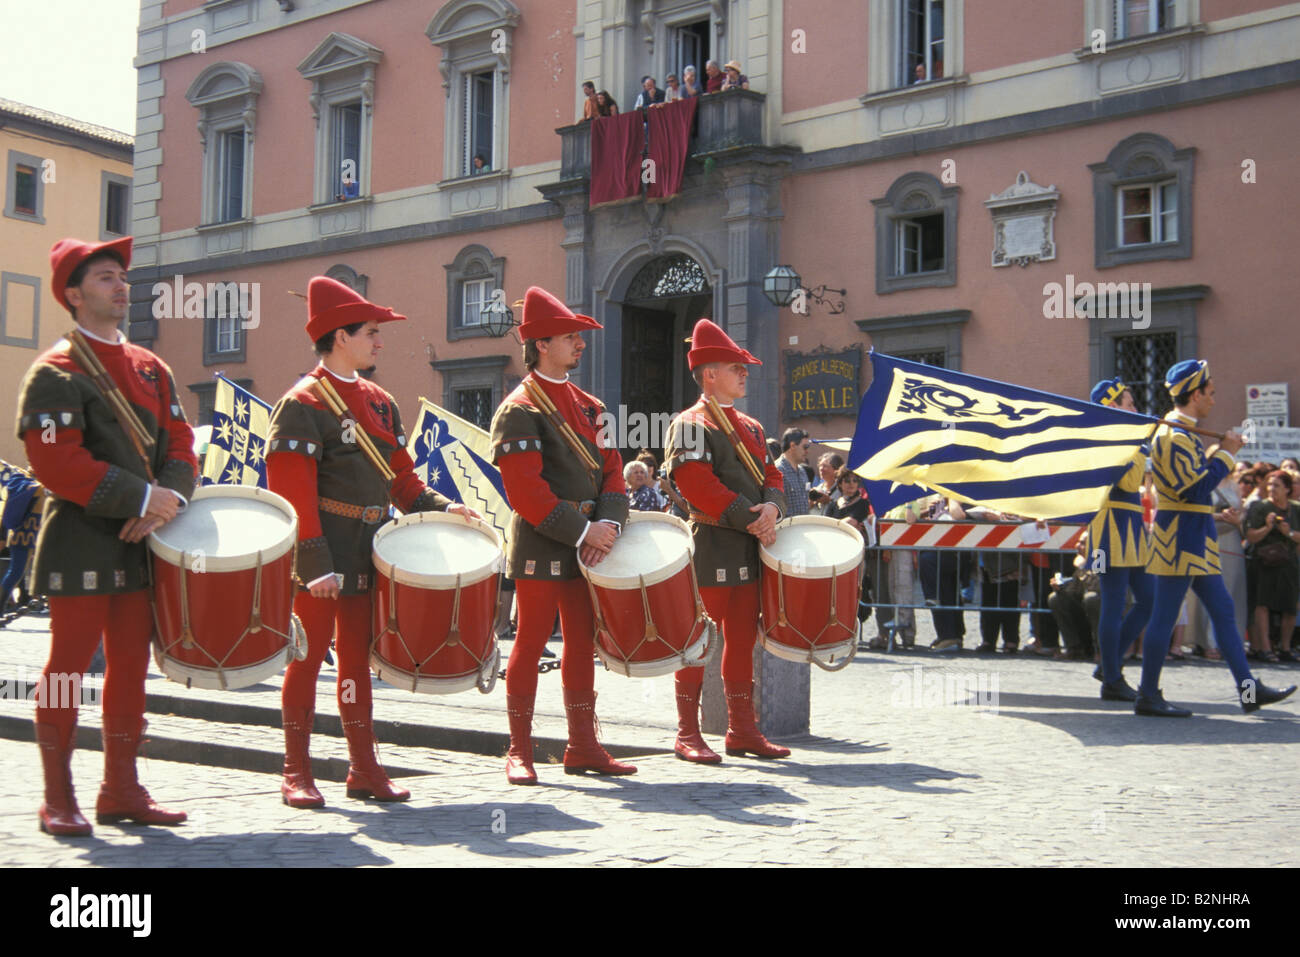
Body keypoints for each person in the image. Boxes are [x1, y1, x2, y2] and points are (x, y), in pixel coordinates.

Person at [266, 277, 479, 808]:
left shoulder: (381, 403)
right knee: (307, 660)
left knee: (358, 664)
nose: (379, 342)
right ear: (339, 336)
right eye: (370, 332)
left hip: (371, 549)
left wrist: (442, 507)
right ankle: (296, 770)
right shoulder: (301, 403)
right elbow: (292, 495)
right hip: (321, 551)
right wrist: (313, 562)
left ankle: (364, 767)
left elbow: (401, 480)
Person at [20, 236, 196, 835]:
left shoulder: (153, 367)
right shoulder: (54, 372)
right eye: (104, 279)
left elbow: (180, 444)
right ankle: (57, 795)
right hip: (80, 538)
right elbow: (56, 462)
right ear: (72, 294)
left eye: (122, 278)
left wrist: (167, 501)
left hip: (144, 539)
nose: (121, 287)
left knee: (129, 667)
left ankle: (121, 788)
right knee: (69, 666)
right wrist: (142, 496)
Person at [490, 287, 633, 784]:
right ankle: (519, 750)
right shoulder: (518, 409)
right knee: (530, 640)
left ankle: (583, 745)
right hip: (544, 538)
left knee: (581, 640)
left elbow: (614, 472)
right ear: (541, 344)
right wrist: (585, 531)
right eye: (571, 336)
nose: (580, 343)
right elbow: (525, 491)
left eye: (579, 336)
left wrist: (610, 523)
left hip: (591, 537)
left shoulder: (593, 406)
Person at [1136, 359, 1295, 716]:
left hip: (1194, 534)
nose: (1213, 399)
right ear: (1194, 394)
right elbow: (1196, 489)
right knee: (1164, 616)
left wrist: (1221, 452)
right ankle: (1147, 694)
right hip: (1180, 537)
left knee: (1222, 611)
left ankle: (1248, 691)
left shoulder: (1183, 433)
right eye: (1209, 393)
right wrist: (1226, 453)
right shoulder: (1174, 436)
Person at [664, 318, 788, 763]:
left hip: (749, 544)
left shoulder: (753, 427)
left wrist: (772, 509)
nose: (745, 373)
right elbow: (696, 485)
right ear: (710, 374)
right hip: (713, 540)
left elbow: (773, 475)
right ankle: (686, 733)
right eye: (736, 367)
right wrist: (752, 520)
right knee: (696, 640)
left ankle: (742, 730)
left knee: (742, 638)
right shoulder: (690, 423)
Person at [1086, 380, 1155, 701]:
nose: (1136, 408)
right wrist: (1140, 443)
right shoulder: (1112, 439)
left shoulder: (1121, 438)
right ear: (1114, 407)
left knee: (1148, 600)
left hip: (1129, 524)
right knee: (1114, 604)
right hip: (1110, 527)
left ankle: (1109, 663)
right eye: (1130, 403)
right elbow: (1130, 480)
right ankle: (1111, 676)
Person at [1244, 470, 1300, 661]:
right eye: (1269, 485)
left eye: (1276, 485)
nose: (1271, 489)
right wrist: (1267, 528)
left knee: (1290, 606)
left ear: (1287, 489)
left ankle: (1285, 647)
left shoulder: (1296, 509)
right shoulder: (1260, 507)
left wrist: (1289, 533)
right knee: (1262, 604)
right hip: (1264, 562)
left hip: (1289, 563)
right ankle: (1266, 649)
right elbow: (1250, 537)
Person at [1, 466, 45, 611]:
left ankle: (32, 599)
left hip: (30, 536)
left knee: (18, 572)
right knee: (16, 572)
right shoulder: (31, 485)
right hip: (24, 536)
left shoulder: (27, 483)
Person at [775, 429, 812, 516]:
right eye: (805, 447)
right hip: (785, 528)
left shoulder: (802, 471)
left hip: (802, 526)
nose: (807, 451)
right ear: (792, 446)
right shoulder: (777, 470)